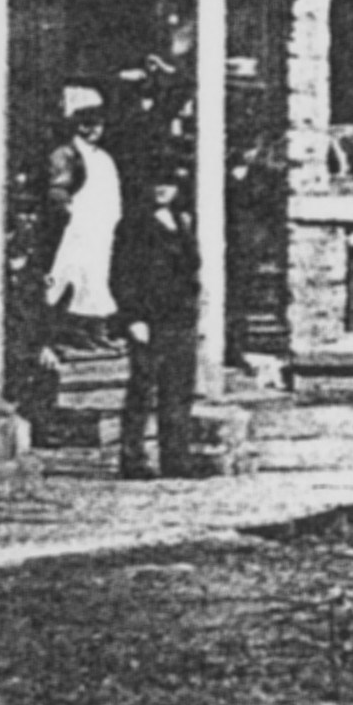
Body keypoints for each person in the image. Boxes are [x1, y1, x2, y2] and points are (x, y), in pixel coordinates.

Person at [107, 163, 201, 480]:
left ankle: (176, 458)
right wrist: (133, 317)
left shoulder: (182, 222)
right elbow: (121, 275)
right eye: (157, 182)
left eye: (169, 183)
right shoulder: (133, 224)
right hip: (149, 318)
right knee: (142, 390)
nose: (163, 189)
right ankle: (132, 458)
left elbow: (191, 267)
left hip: (180, 317)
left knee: (178, 390)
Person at [43, 86, 122, 352]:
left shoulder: (103, 157)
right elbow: (58, 189)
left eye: (98, 123)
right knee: (70, 276)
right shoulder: (66, 154)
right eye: (86, 123)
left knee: (96, 279)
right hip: (77, 230)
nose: (93, 129)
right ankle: (68, 331)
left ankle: (96, 329)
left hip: (101, 230)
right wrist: (65, 213)